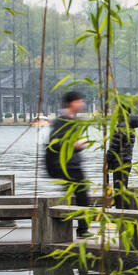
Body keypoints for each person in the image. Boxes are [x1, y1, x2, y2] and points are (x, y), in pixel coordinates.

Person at [45, 90, 91, 238]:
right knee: (81, 195)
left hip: (73, 164)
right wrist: (74, 145)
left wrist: (77, 146)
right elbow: (54, 143)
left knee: (80, 196)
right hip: (67, 166)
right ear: (72, 103)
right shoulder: (62, 120)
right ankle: (80, 229)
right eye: (80, 101)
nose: (83, 104)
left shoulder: (71, 119)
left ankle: (80, 228)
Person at [107, 108, 138, 211]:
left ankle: (123, 214)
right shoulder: (129, 127)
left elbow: (113, 147)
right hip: (126, 161)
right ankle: (125, 213)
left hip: (119, 162)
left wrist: (107, 160)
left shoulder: (121, 128)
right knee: (123, 188)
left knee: (119, 191)